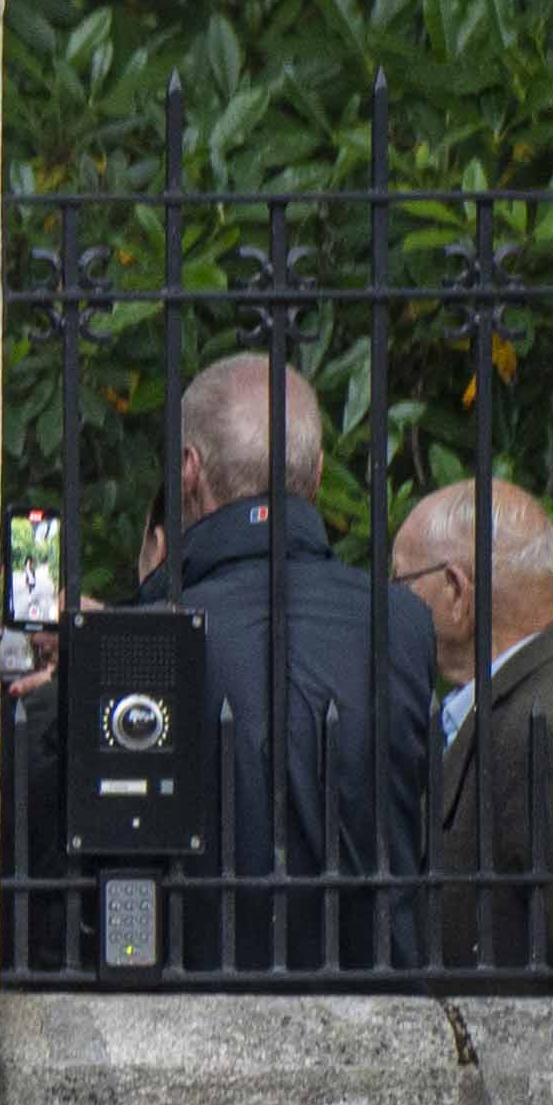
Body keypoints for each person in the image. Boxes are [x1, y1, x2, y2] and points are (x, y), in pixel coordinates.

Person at [140, 352, 433, 973]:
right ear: (318, 473)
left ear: (188, 470)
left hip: (200, 1016)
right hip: (381, 1014)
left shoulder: (154, 636)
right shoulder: (403, 623)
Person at [392, 478, 553, 972]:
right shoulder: (527, 701)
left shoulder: (548, 728)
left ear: (457, 593)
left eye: (400, 584)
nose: (390, 607)